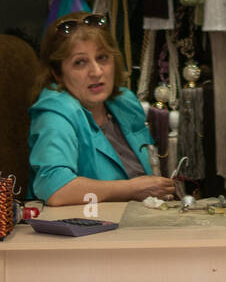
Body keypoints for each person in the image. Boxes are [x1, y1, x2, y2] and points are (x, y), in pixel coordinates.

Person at [28, 12, 177, 205]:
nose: (96, 72)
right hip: (87, 231)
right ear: (57, 73)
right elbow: (56, 190)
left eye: (102, 58)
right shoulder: (54, 114)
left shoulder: (125, 102)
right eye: (80, 62)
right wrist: (133, 189)